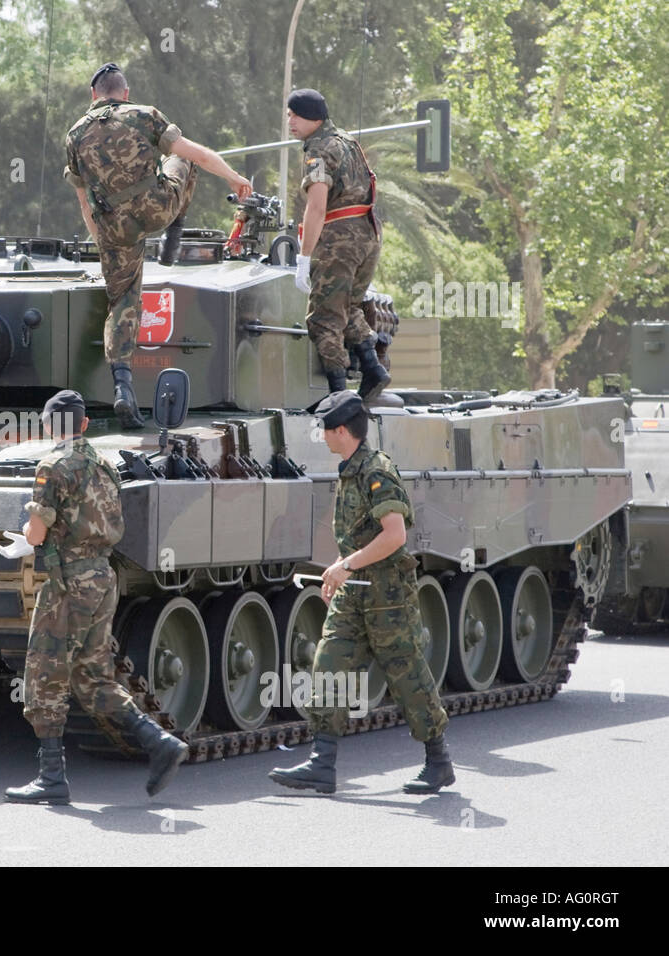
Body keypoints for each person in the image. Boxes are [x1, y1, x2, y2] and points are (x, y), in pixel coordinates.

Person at [5, 389, 190, 804]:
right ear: (85, 424)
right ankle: (159, 740)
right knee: (93, 678)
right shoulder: (104, 463)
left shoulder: (53, 465)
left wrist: (27, 540)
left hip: (67, 584)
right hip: (101, 577)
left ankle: (51, 778)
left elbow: (37, 531)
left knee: (44, 675)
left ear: (50, 424)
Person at [270, 390, 453, 795]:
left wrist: (344, 565)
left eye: (325, 429)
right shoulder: (350, 469)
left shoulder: (376, 471)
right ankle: (322, 763)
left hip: (388, 598)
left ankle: (438, 762)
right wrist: (340, 574)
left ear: (341, 431)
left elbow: (395, 536)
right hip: (355, 594)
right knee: (328, 666)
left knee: (407, 678)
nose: (322, 436)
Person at [65, 63, 253, 429]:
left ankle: (122, 384)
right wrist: (233, 176)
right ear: (125, 92)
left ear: (93, 95)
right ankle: (173, 238)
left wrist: (100, 239)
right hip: (157, 208)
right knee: (180, 156)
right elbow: (195, 154)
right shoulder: (144, 115)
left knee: (122, 301)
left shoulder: (74, 134)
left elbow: (83, 199)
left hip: (114, 226)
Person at [287, 88, 390, 400]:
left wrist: (304, 258)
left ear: (313, 119)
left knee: (323, 319)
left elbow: (317, 207)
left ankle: (337, 396)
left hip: (340, 239)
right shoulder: (347, 140)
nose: (289, 121)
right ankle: (373, 369)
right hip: (368, 233)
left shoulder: (317, 150)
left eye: (295, 115)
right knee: (348, 308)